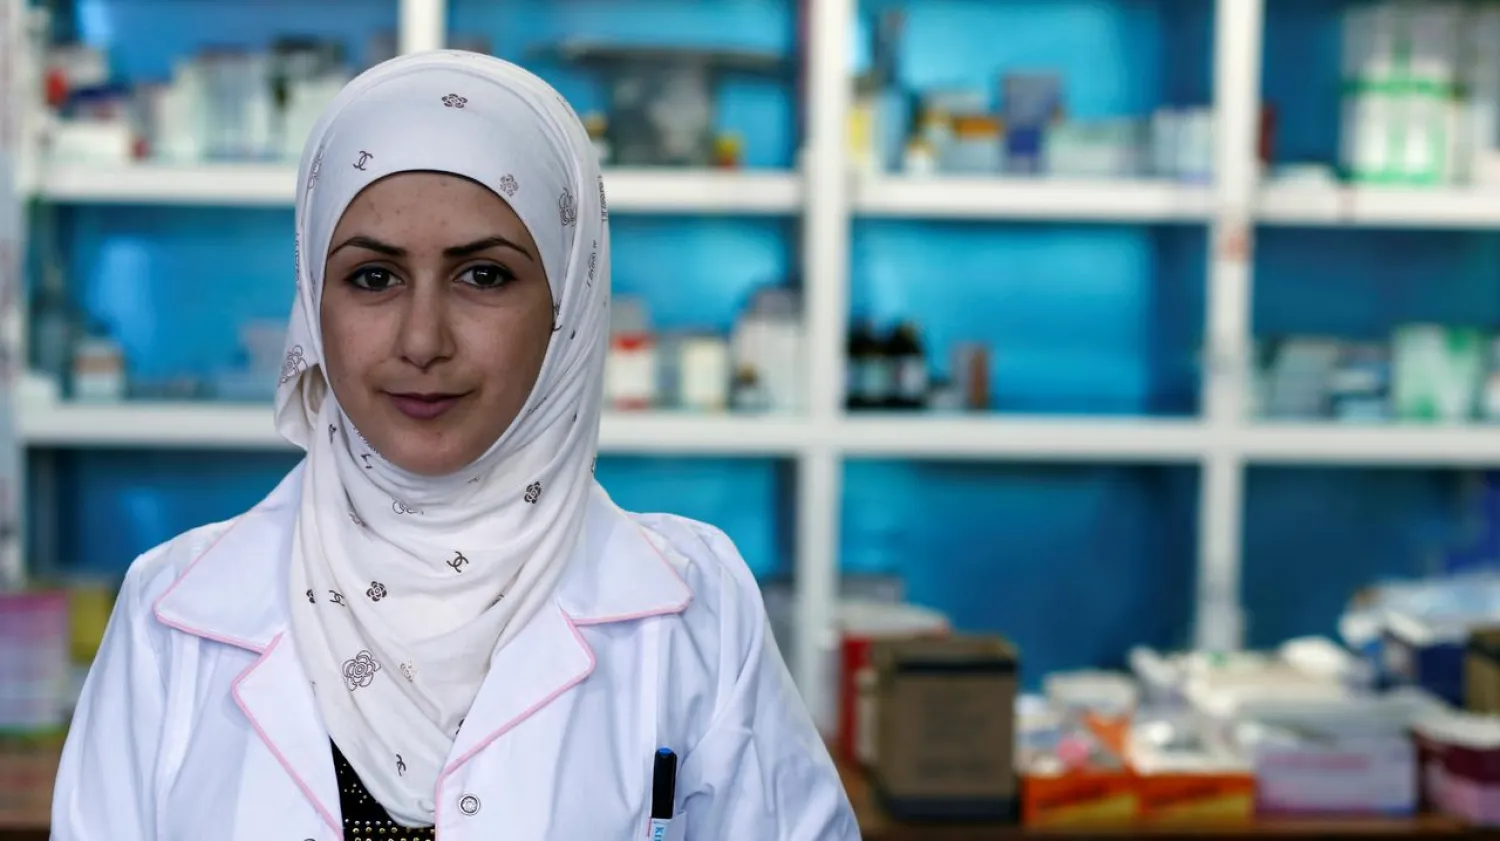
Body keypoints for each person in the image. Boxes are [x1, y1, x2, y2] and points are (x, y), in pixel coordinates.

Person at [51, 50, 859, 841]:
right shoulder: (174, 617)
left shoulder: (696, 614)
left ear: (567, 305)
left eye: (484, 276)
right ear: (312, 297)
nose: (423, 339)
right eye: (373, 277)